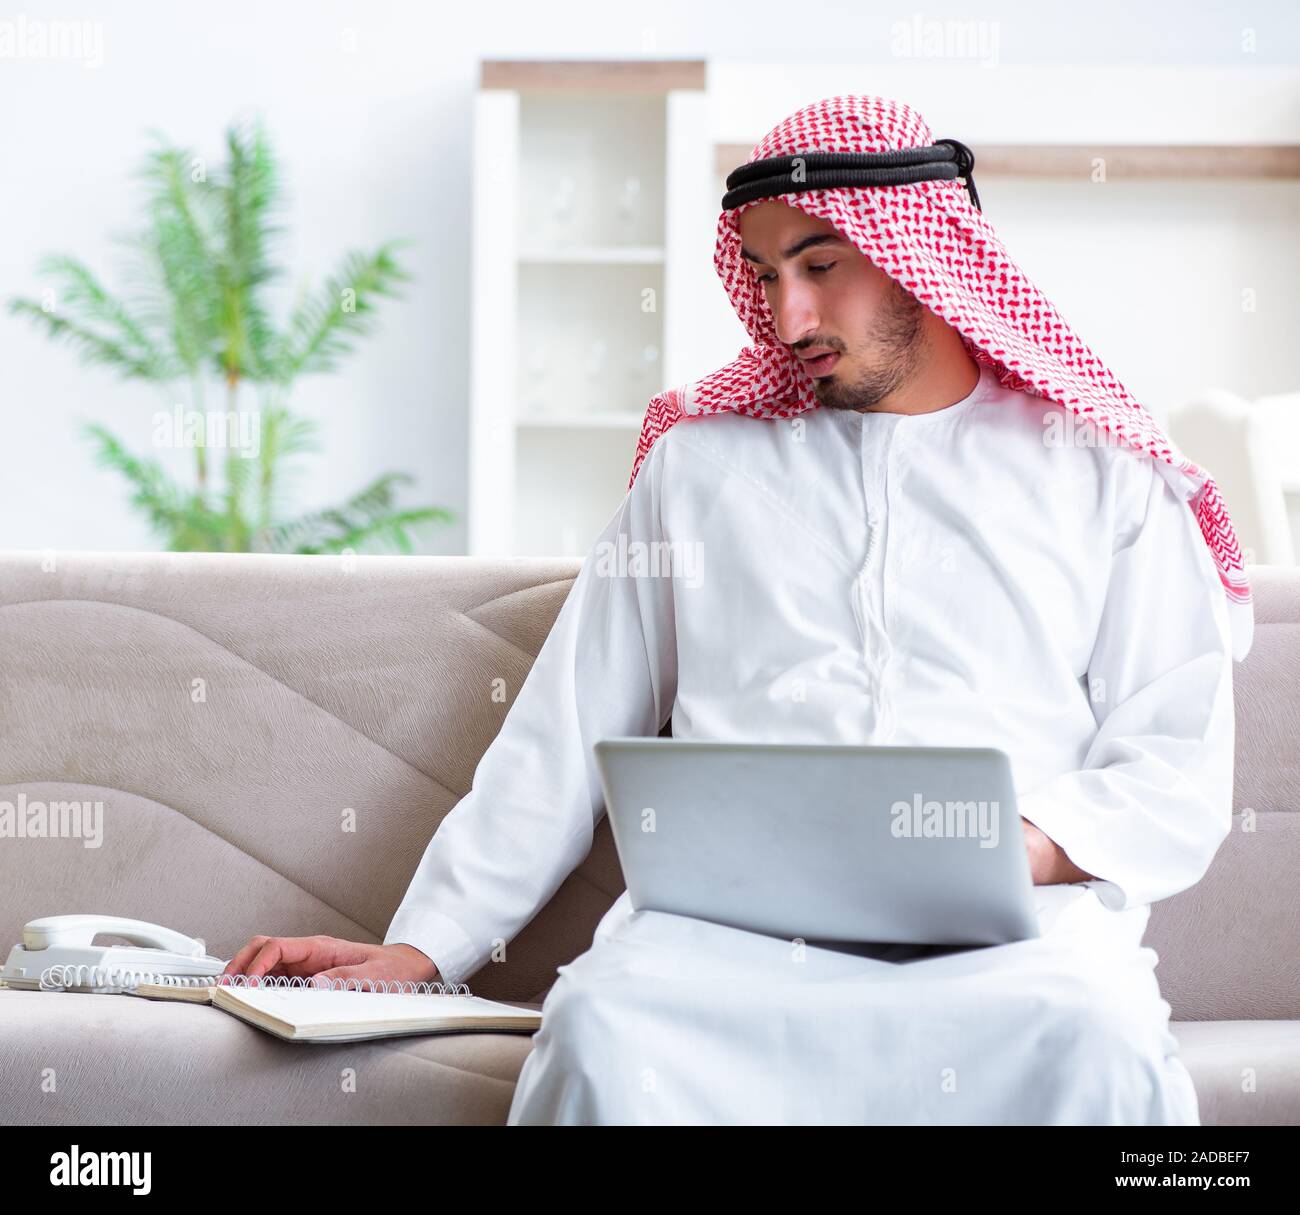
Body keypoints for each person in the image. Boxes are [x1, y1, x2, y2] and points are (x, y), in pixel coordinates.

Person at [224, 95, 1254, 1125]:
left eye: (819, 266)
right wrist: (421, 948)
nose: (787, 317)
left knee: (1100, 1039)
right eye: (765, 277)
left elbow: (1173, 760)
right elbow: (565, 731)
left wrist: (993, 842)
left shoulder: (1101, 471)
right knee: (602, 1035)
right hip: (726, 947)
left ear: (924, 251)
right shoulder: (699, 467)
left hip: (1015, 941)